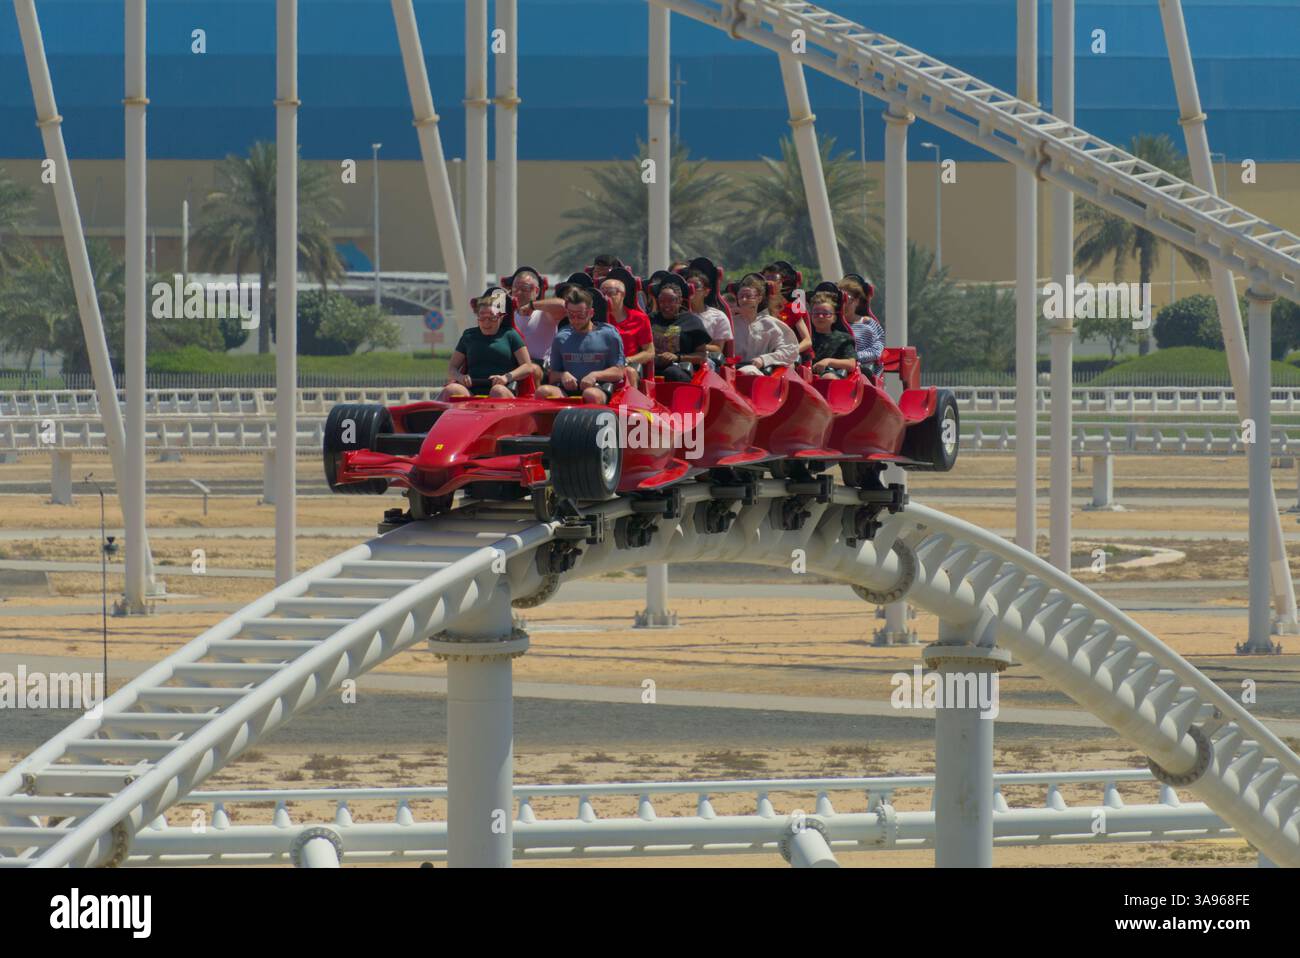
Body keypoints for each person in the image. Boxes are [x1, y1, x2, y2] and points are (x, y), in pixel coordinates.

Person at [536, 286, 626, 404]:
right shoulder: (561, 337)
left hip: (598, 387)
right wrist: (563, 375)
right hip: (567, 389)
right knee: (542, 391)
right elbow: (552, 375)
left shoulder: (609, 335)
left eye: (580, 315)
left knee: (590, 394)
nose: (576, 320)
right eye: (571, 315)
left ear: (591, 313)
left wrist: (595, 375)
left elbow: (619, 372)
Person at [440, 286, 533, 399]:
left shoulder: (511, 335)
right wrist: (460, 377)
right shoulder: (468, 336)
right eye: (482, 318)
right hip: (472, 392)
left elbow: (528, 366)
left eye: (492, 318)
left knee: (497, 391)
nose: (486, 323)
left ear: (501, 317)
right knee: (451, 390)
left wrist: (506, 377)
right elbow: (452, 368)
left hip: (502, 390)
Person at [647, 272, 712, 383]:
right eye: (662, 301)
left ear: (680, 300)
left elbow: (702, 356)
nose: (666, 305)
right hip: (652, 369)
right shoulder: (649, 319)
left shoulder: (692, 321)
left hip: (679, 370)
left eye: (671, 300)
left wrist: (677, 357)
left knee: (671, 372)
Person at [506, 266, 565, 384]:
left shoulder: (544, 314)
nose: (519, 292)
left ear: (536, 291)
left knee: (532, 369)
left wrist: (532, 306)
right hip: (512, 366)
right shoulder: (507, 315)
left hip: (539, 367)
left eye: (525, 288)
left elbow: (563, 306)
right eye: (515, 288)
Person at [731, 273, 799, 375]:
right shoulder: (730, 322)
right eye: (741, 296)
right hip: (731, 373)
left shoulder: (770, 324)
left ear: (759, 298)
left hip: (760, 375)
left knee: (748, 371)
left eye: (748, 296)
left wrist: (764, 359)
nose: (744, 300)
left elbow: (790, 350)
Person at [600, 266, 654, 386]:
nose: (606, 298)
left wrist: (627, 360)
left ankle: (627, 400)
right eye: (602, 294)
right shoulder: (594, 319)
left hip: (627, 366)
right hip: (600, 367)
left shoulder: (639, 318)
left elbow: (649, 352)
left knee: (629, 373)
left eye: (610, 293)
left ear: (623, 294)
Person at [681, 260, 733, 365]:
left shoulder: (718, 317)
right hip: (680, 360)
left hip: (706, 362)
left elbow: (718, 348)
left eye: (696, 286)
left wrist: (694, 347)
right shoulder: (678, 315)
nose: (691, 291)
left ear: (706, 291)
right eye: (688, 287)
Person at [838, 272, 885, 374]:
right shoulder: (832, 324)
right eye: (841, 299)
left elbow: (877, 350)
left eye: (848, 299)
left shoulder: (868, 323)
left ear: (857, 301)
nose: (844, 304)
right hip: (838, 369)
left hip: (864, 371)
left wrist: (853, 357)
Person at [762, 260, 812, 355]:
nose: (770, 282)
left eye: (774, 278)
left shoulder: (793, 307)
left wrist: (787, 353)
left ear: (781, 282)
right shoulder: (755, 307)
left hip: (787, 357)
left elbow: (807, 341)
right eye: (766, 278)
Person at [807, 289, 857, 379]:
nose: (820, 316)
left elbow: (851, 364)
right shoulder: (805, 338)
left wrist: (828, 361)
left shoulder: (844, 339)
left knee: (828, 377)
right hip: (804, 377)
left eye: (826, 313)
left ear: (834, 318)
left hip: (832, 379)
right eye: (816, 313)